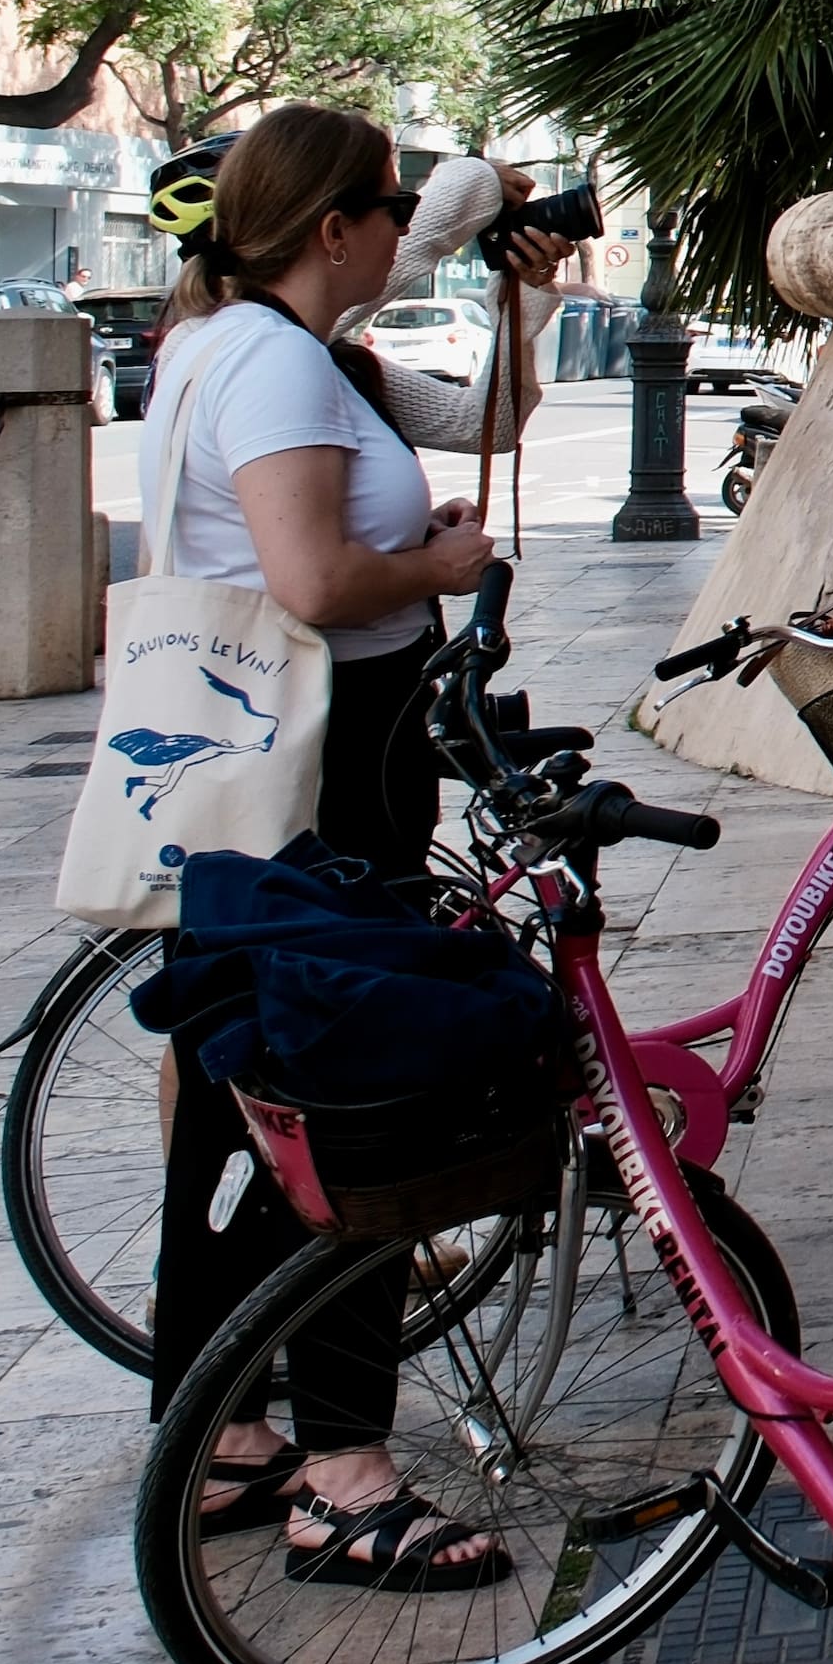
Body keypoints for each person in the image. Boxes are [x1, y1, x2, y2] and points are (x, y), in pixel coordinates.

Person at [136, 106, 571, 1589]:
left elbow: (492, 421)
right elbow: (315, 576)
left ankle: (224, 1431)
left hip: (283, 769)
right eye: (388, 207)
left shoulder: (267, 348)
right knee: (360, 1105)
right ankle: (345, 1466)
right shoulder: (267, 360)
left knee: (238, 1103)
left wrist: (529, 293)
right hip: (328, 766)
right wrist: (435, 566)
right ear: (331, 227)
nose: (403, 228)